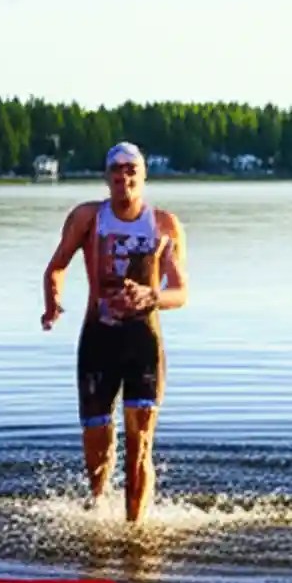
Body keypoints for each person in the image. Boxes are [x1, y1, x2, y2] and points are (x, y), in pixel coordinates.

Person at [39, 141, 189, 523]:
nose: (123, 177)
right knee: (97, 443)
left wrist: (151, 295)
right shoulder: (88, 218)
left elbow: (181, 292)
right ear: (107, 178)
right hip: (99, 339)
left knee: (140, 445)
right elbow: (56, 266)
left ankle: (135, 531)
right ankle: (98, 510)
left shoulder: (164, 225)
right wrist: (52, 300)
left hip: (143, 343)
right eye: (116, 170)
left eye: (130, 170)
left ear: (143, 175)